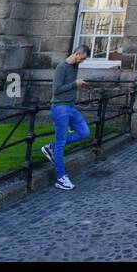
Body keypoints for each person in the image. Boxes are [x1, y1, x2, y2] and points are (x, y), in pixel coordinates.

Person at [41, 44, 94, 190]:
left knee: (85, 132)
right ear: (77, 54)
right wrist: (74, 84)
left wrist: (76, 83)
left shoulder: (75, 67)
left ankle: (51, 147)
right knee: (61, 141)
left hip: (71, 107)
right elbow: (56, 90)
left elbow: (69, 85)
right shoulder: (61, 68)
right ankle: (61, 178)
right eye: (82, 59)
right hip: (60, 108)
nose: (82, 62)